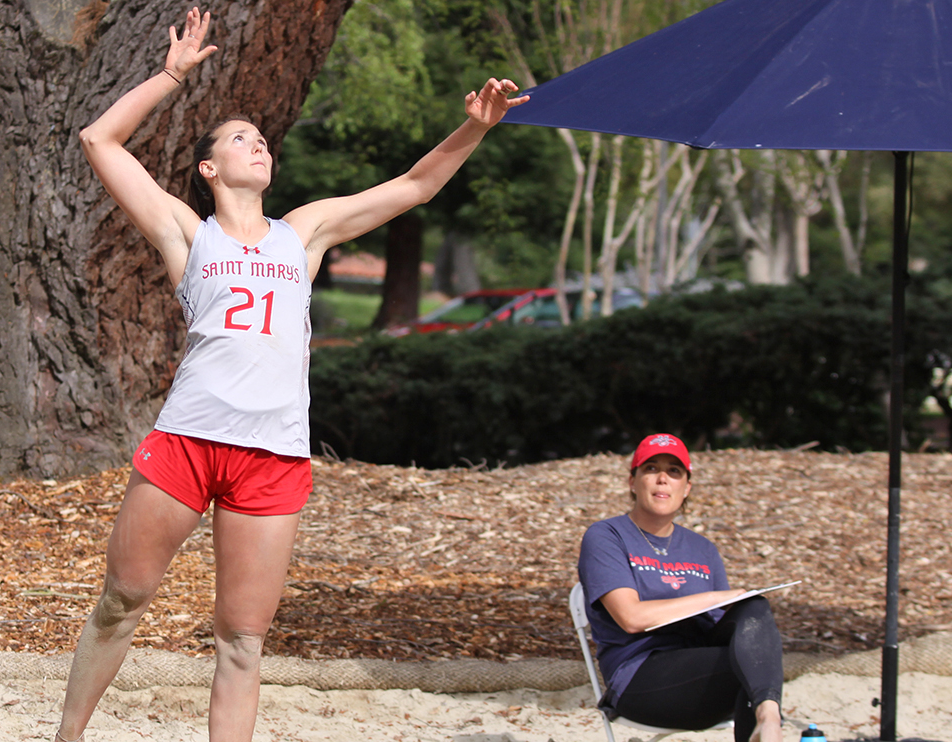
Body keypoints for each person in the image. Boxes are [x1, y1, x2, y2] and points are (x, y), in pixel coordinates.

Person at [54, 7, 529, 742]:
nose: (260, 144)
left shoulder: (303, 232)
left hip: (273, 455)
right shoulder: (187, 232)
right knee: (123, 600)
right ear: (210, 168)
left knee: (243, 640)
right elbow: (98, 139)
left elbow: (414, 186)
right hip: (188, 441)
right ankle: (67, 736)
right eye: (241, 138)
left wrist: (475, 128)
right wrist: (171, 76)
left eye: (263, 139)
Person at [577, 433, 785, 742]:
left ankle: (769, 718)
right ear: (632, 482)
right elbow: (631, 617)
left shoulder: (703, 549)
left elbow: (725, 628)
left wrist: (740, 602)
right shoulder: (607, 536)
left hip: (702, 668)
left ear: (686, 487)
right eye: (651, 468)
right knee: (750, 670)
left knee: (754, 610)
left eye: (674, 471)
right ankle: (769, 721)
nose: (662, 478)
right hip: (640, 675)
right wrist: (713, 597)